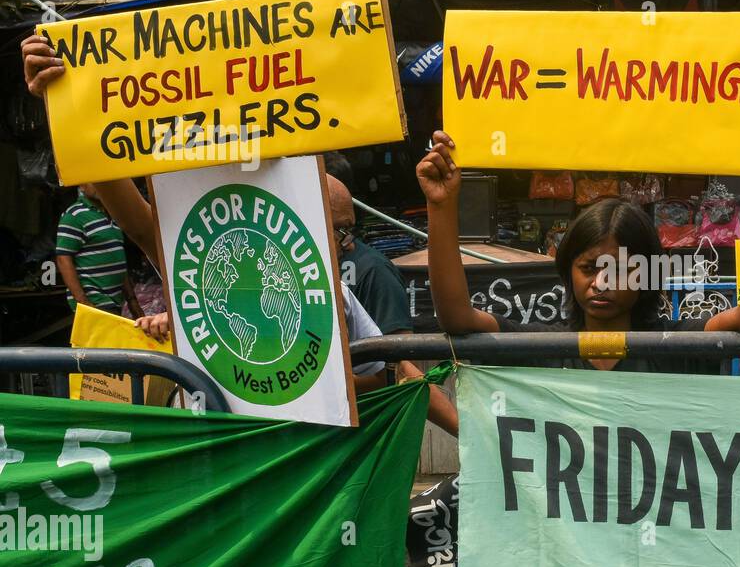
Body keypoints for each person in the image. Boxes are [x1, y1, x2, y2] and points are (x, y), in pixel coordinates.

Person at [22, 34, 455, 430]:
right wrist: (65, 103)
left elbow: (403, 376)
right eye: (333, 228)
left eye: (342, 231)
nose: (341, 243)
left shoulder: (334, 296)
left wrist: (484, 442)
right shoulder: (200, 277)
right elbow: (135, 220)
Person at [416, 129, 740, 372]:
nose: (601, 283)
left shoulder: (676, 346)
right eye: (588, 267)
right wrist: (441, 206)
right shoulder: (540, 349)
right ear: (567, 270)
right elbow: (456, 318)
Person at [327, 174, 412, 335]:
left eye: (349, 230)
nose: (350, 245)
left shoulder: (375, 270)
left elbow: (400, 354)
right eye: (342, 230)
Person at [56, 182, 143, 318]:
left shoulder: (112, 213)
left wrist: (132, 300)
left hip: (114, 301)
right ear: (82, 185)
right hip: (95, 302)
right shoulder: (74, 215)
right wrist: (84, 302)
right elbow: (63, 259)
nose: (100, 186)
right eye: (94, 182)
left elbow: (118, 259)